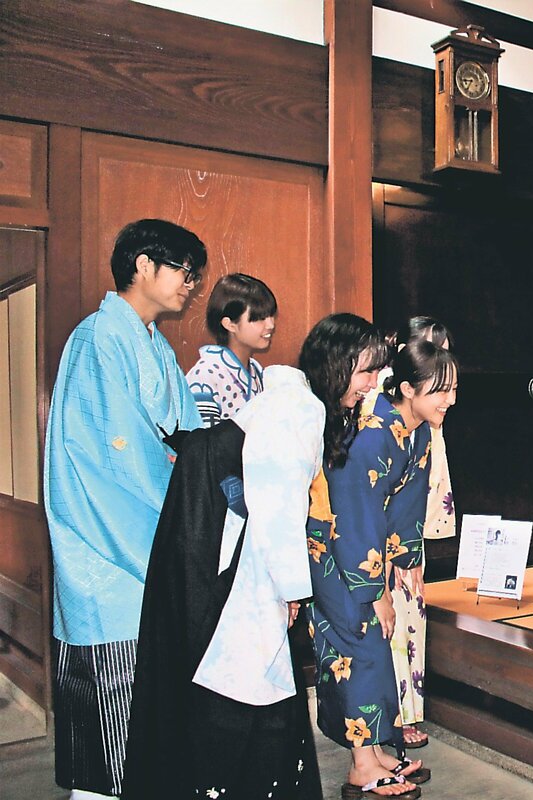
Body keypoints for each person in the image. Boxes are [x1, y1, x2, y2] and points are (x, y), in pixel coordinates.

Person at [121, 316, 350, 798]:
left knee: (243, 673)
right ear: (339, 367)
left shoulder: (279, 395)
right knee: (243, 673)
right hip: (230, 536)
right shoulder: (301, 408)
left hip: (215, 526)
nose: (372, 384)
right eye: (366, 371)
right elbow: (280, 505)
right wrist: (292, 590)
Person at [43, 218, 206, 799]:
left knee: (150, 728)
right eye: (185, 271)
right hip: (109, 551)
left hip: (153, 538)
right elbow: (112, 459)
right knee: (109, 739)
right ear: (143, 265)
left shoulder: (154, 345)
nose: (192, 285)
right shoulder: (96, 339)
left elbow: (186, 443)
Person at [308, 336, 457, 798]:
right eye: (440, 390)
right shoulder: (374, 435)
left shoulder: (419, 433)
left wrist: (408, 560)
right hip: (336, 549)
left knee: (380, 642)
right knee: (360, 638)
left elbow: (408, 503)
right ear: (408, 389)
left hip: (364, 546)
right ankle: (361, 766)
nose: (450, 400)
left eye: (453, 389)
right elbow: (356, 514)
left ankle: (375, 751)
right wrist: (376, 590)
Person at [391, 316, 457, 751]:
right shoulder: (387, 422)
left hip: (407, 536)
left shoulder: (426, 421)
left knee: (412, 620)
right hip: (384, 544)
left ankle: (407, 713)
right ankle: (392, 720)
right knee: (394, 625)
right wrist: (400, 551)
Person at [186, 273, 277, 426]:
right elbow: (203, 443)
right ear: (229, 324)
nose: (270, 325)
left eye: (271, 315)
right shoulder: (205, 374)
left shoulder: (257, 370)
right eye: (260, 318)